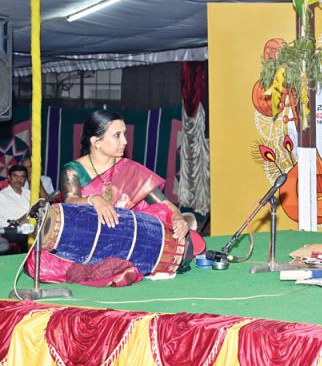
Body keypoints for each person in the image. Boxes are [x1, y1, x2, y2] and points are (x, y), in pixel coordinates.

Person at [32, 110, 191, 285]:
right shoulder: (73, 170)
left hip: (127, 239)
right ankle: (113, 270)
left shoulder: (131, 170)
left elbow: (167, 205)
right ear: (96, 142)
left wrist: (178, 219)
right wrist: (94, 199)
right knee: (41, 263)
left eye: (124, 134)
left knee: (184, 244)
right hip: (87, 240)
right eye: (117, 135)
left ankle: (114, 269)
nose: (125, 141)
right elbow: (70, 202)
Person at [0, 165, 31, 254]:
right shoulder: (2, 195)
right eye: (15, 176)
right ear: (9, 177)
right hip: (12, 231)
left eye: (22, 176)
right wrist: (19, 221)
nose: (19, 179)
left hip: (32, 228)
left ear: (25, 179)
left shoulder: (30, 194)